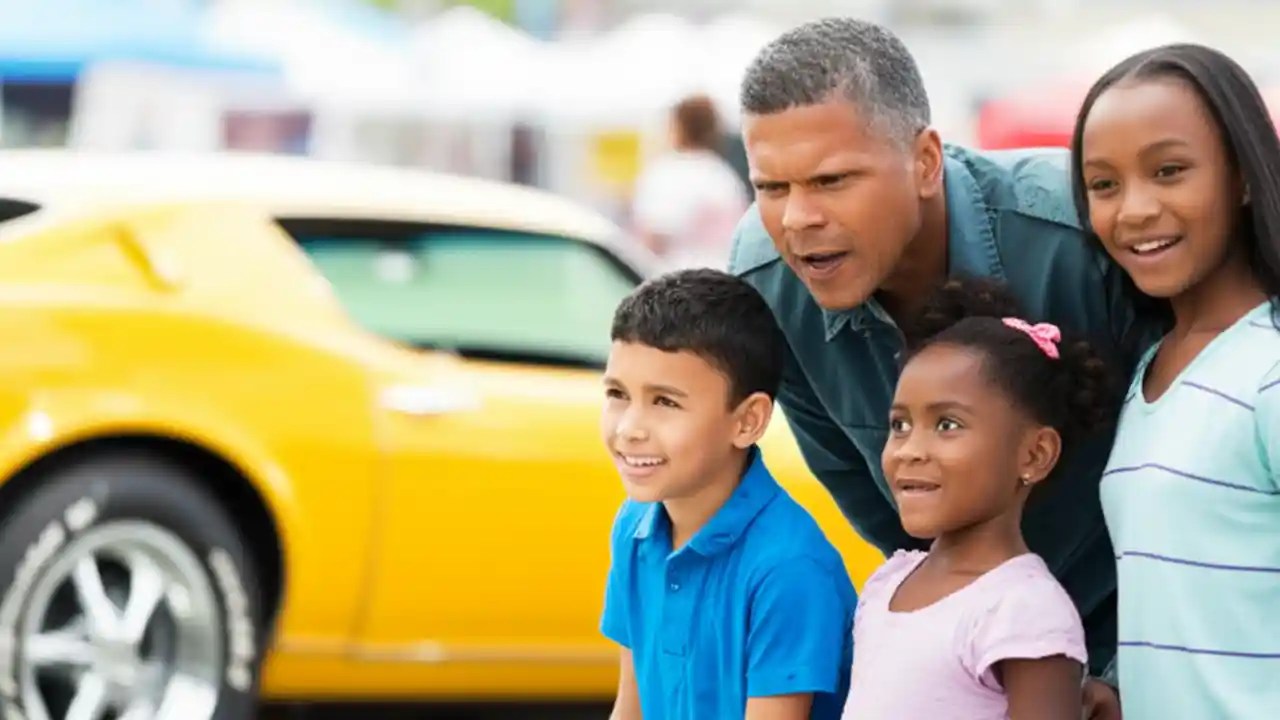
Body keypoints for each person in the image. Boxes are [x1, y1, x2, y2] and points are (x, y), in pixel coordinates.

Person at [728, 17, 1158, 705]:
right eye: (772, 188)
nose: (797, 219)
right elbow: (880, 507)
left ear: (926, 161)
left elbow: (1193, 486)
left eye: (832, 180)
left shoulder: (1082, 237)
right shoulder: (768, 285)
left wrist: (1113, 667)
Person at [1072, 43, 1280, 717]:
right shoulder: (1152, 371)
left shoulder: (1270, 368)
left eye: (1169, 171)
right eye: (1104, 185)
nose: (1133, 210)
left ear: (1244, 177)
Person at [842, 277, 1120, 719]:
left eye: (947, 424)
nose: (910, 449)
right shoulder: (889, 582)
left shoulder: (1021, 609)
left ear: (1034, 453)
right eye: (899, 425)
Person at [599, 269, 857, 720]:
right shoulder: (634, 526)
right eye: (618, 394)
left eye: (665, 402)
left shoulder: (788, 568)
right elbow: (631, 706)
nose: (628, 428)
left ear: (748, 421)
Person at [631, 94, 750, 270]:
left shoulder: (670, 173)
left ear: (679, 127)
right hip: (724, 278)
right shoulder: (723, 175)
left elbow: (653, 238)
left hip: (677, 281)